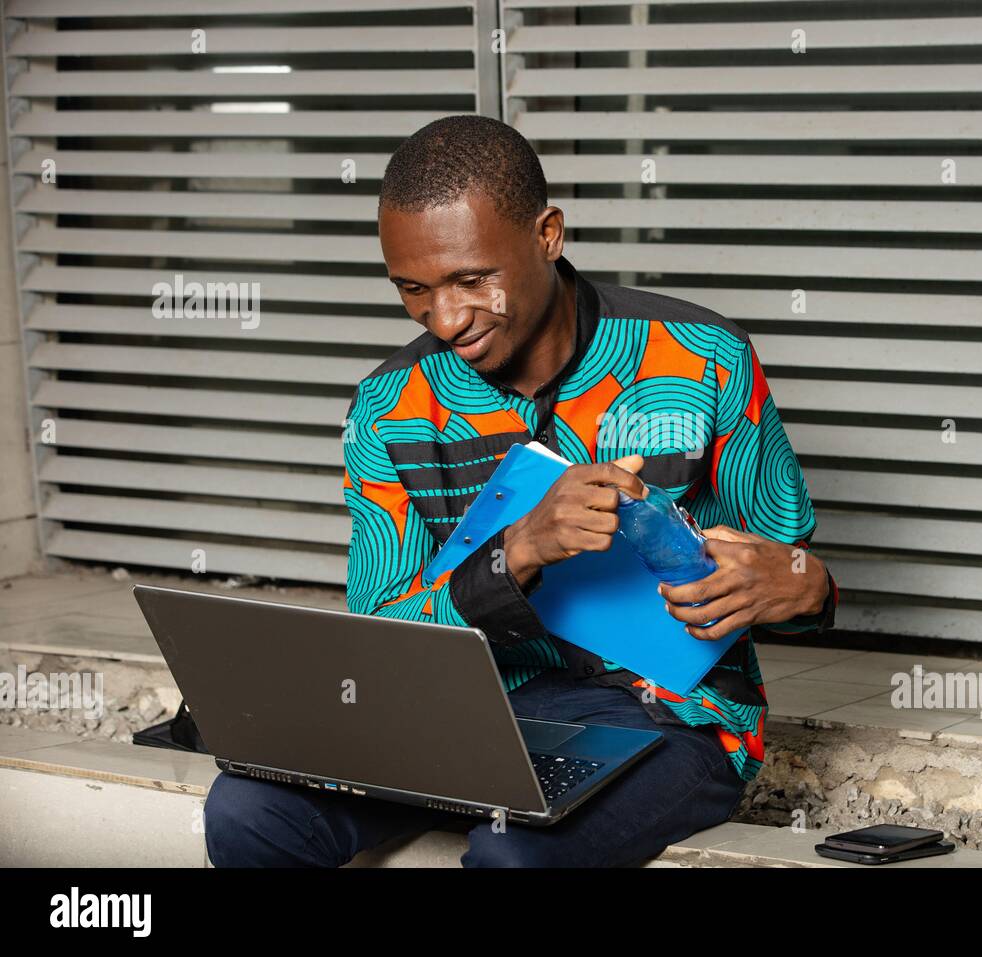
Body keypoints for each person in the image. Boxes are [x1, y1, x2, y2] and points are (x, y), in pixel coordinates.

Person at [203, 114, 838, 867]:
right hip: (458, 713)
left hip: (666, 720)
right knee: (246, 813)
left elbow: (793, 579)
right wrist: (518, 551)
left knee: (515, 857)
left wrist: (806, 585)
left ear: (547, 234)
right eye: (412, 288)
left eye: (471, 280)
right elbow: (381, 639)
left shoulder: (704, 360)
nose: (445, 318)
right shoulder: (387, 407)